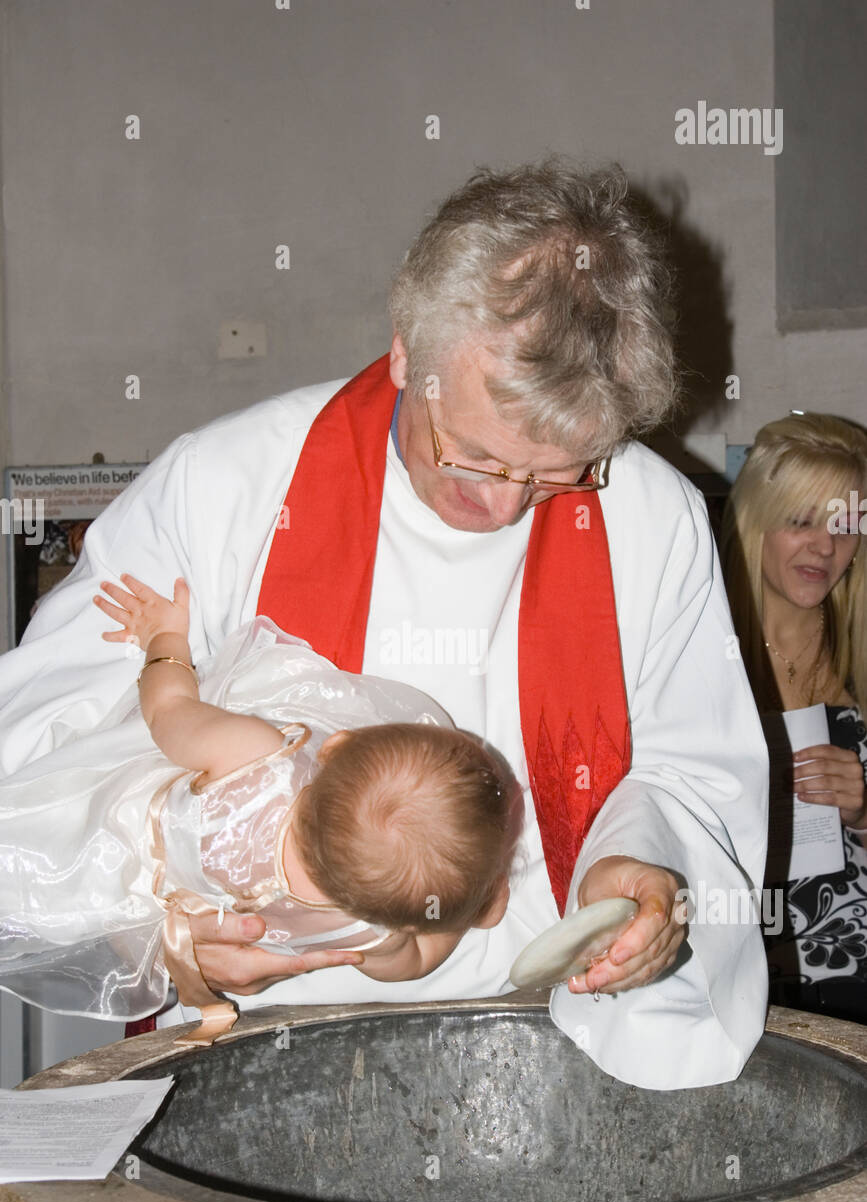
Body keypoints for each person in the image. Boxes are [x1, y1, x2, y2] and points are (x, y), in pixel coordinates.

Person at [0, 160, 770, 1090]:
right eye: (473, 455)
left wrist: (640, 871)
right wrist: (175, 941)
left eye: (556, 473)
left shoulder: (649, 513)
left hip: (555, 1029)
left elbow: (695, 768)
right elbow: (39, 756)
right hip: (269, 1024)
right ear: (407, 352)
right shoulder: (228, 486)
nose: (503, 507)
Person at [0, 573, 518, 1043]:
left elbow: (167, 709)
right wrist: (467, 905)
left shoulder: (253, 762)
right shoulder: (366, 933)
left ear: (333, 746)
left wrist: (164, 640)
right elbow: (418, 962)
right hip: (147, 902)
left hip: (118, 829)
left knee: (54, 789)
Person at [720, 412, 867, 1024]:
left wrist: (862, 812)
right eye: (801, 521)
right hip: (736, 973)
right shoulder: (698, 657)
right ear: (757, 524)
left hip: (856, 976)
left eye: (842, 525)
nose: (824, 547)